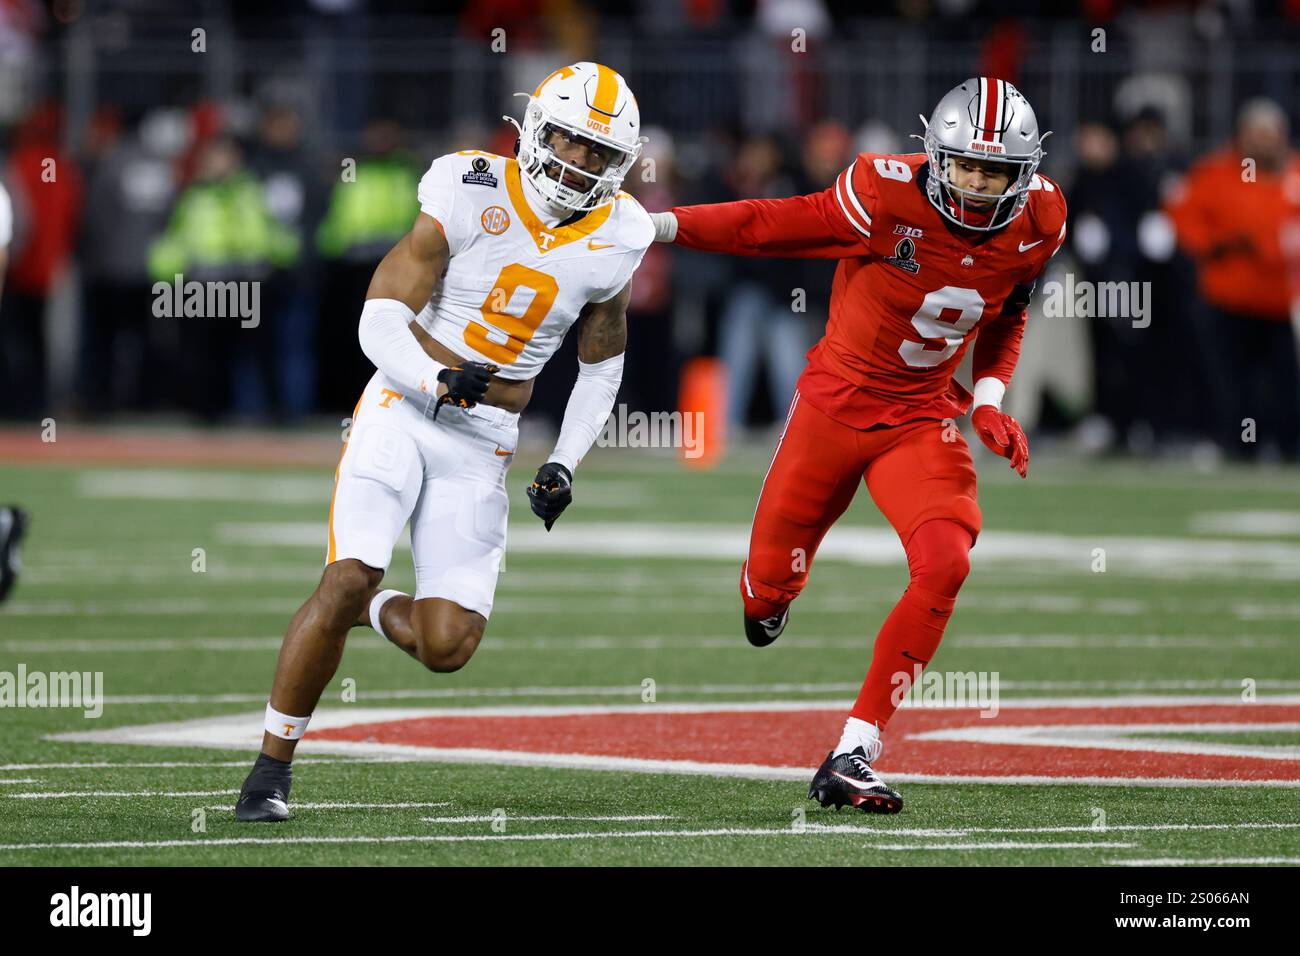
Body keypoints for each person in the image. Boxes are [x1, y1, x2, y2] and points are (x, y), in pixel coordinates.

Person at [235, 62, 654, 822]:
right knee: (345, 576)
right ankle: (270, 767)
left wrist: (564, 460)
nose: (579, 162)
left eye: (599, 152)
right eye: (568, 140)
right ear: (535, 131)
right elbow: (378, 317)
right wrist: (435, 378)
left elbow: (602, 360)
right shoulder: (468, 184)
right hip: (403, 401)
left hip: (484, 435)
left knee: (447, 645)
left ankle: (370, 610)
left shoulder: (622, 232)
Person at [649, 78, 1067, 813]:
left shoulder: (1040, 220)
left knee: (946, 560)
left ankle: (855, 748)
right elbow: (767, 225)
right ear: (935, 156)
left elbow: (1009, 312)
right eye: (965, 165)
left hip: (921, 415)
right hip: (833, 409)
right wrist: (663, 227)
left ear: (1024, 173)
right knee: (766, 590)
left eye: (994, 171)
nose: (976, 182)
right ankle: (768, 595)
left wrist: (992, 398)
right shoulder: (883, 192)